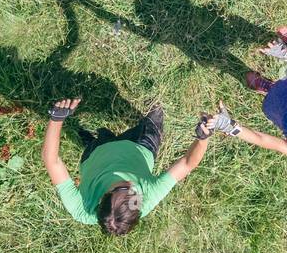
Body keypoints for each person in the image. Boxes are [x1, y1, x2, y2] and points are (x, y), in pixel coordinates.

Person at [40, 98, 214, 235]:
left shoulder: (83, 209)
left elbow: (51, 161)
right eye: (134, 193)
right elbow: (187, 163)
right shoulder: (146, 198)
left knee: (101, 138)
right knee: (155, 117)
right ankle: (151, 103)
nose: (131, 185)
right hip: (140, 147)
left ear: (102, 198)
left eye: (122, 187)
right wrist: (203, 138)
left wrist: (57, 118)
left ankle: (94, 137)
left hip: (97, 153)